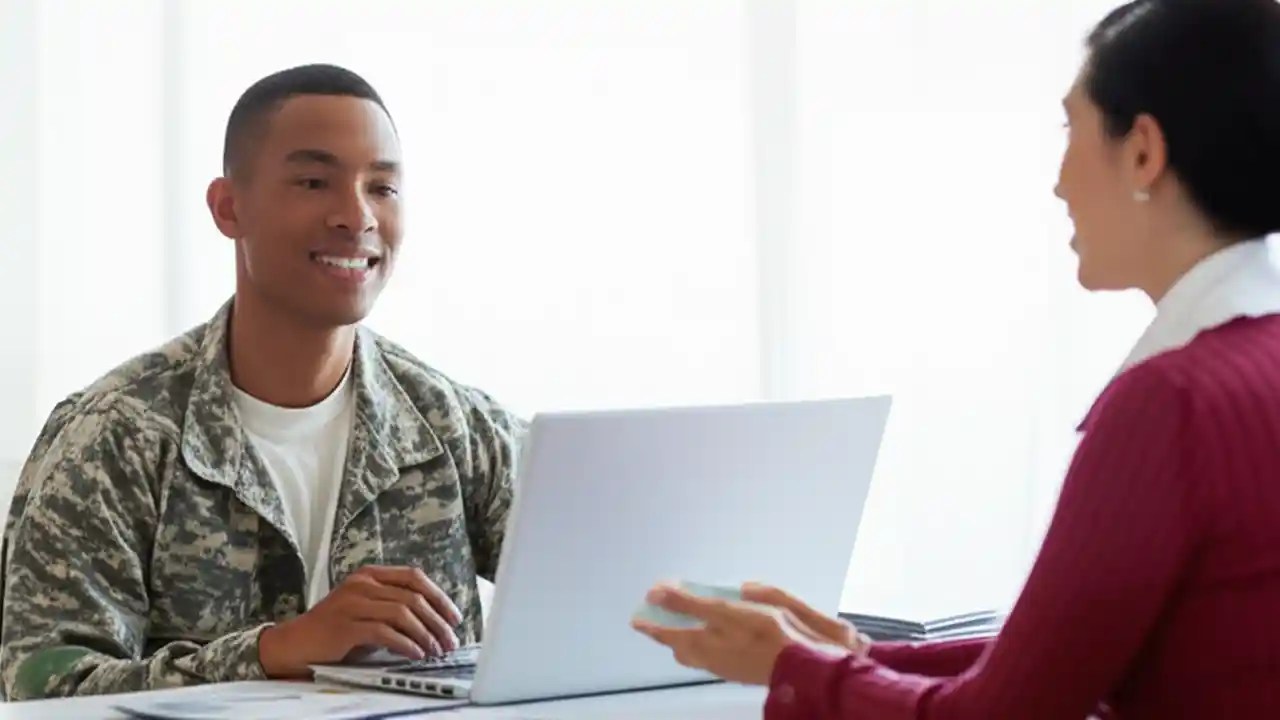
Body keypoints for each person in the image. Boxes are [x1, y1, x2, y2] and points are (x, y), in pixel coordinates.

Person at [634, 0, 1280, 717]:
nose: (1058, 182)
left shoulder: (1169, 405)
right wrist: (853, 656)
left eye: (1070, 129)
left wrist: (792, 667)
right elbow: (1055, 665)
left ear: (1142, 153)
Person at [0, 64, 524, 700]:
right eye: (314, 182)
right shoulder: (115, 437)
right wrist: (273, 651)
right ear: (229, 208)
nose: (356, 216)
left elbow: (603, 604)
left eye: (382, 188)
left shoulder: (457, 428)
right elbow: (39, 689)